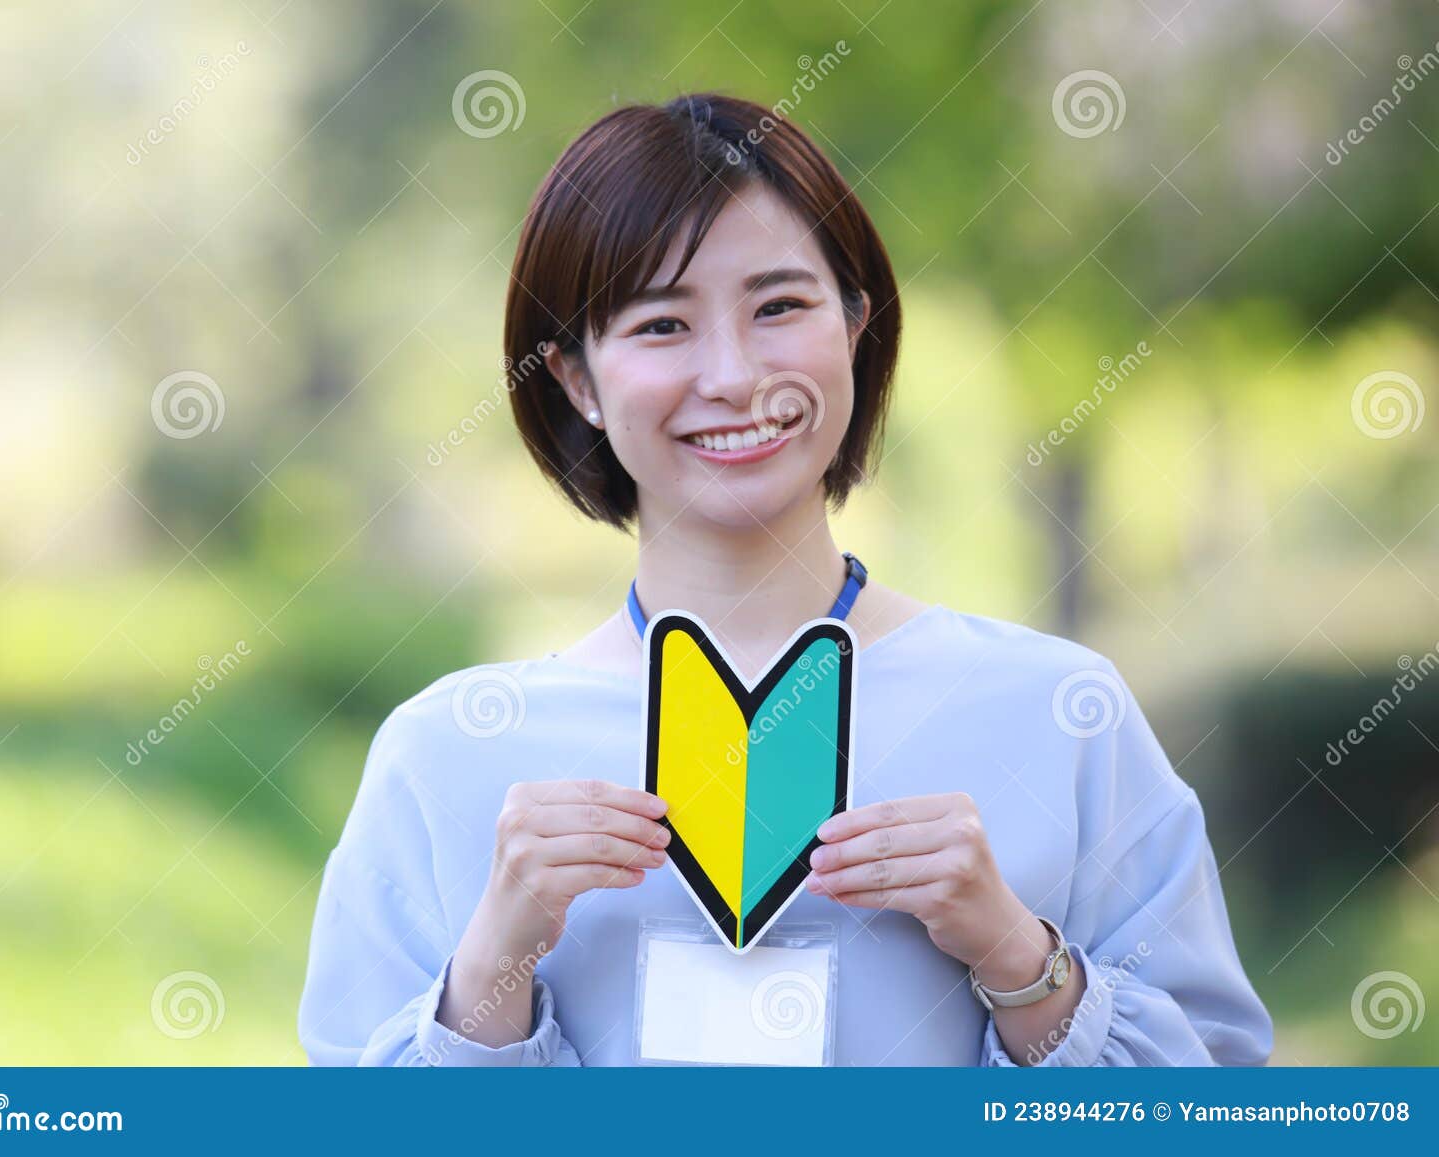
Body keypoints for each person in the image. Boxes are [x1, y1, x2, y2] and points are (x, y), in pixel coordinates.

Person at [297, 92, 1273, 1067]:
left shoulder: (1061, 713)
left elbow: (1215, 1103)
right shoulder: (446, 757)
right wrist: (490, 969)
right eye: (660, 325)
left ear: (856, 324)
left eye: (778, 306)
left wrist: (1015, 953)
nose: (731, 374)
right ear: (575, 380)